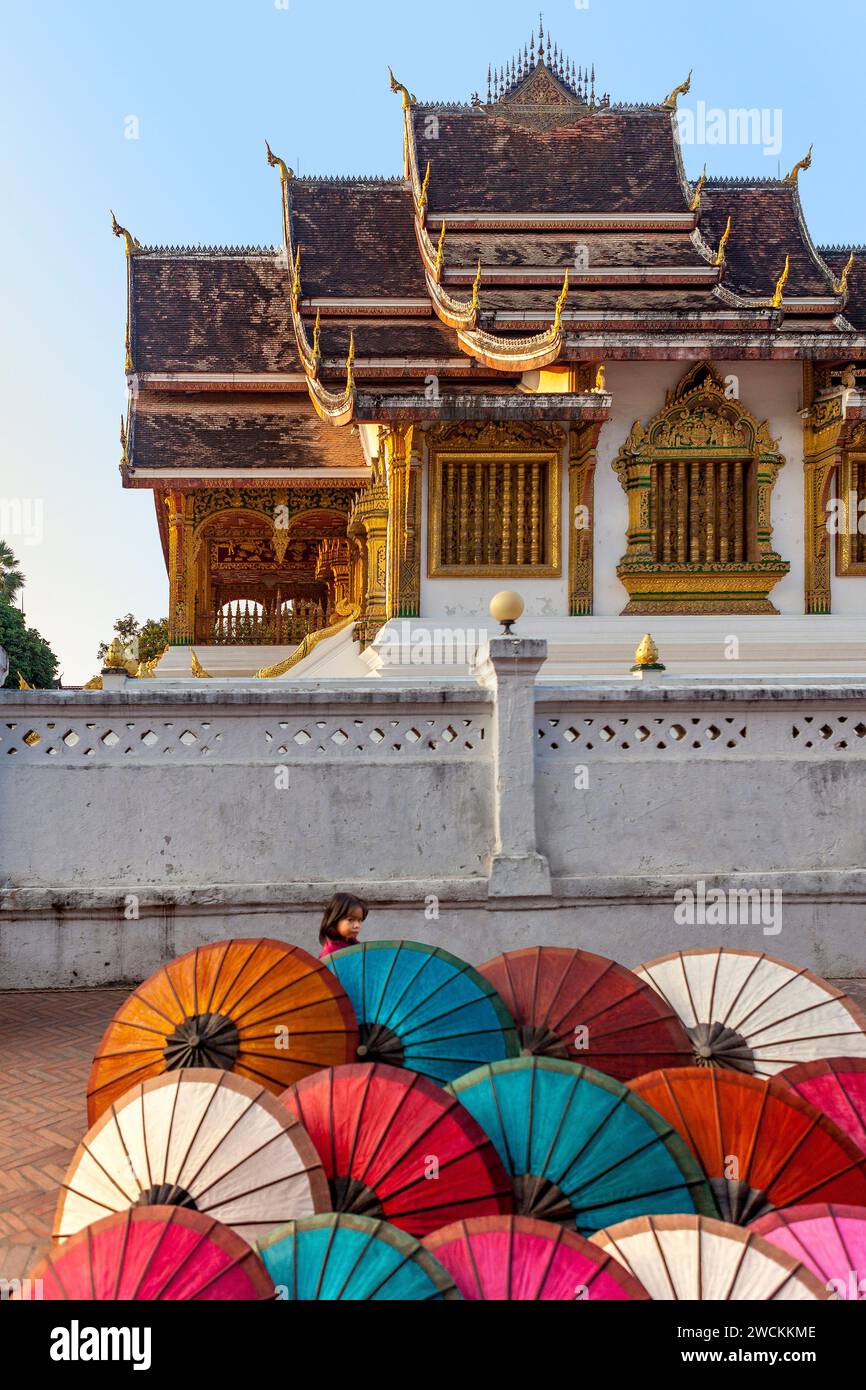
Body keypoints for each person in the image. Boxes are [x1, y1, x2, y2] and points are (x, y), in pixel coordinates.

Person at [318, 892, 368, 959]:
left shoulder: (355, 945)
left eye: (359, 920)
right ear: (335, 921)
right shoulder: (331, 953)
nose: (357, 925)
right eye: (350, 920)